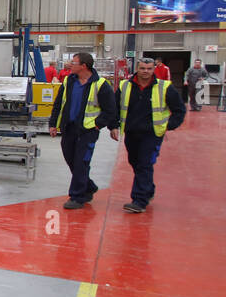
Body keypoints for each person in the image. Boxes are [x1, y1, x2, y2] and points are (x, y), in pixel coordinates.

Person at [48, 51, 119, 209]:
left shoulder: (101, 85)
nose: (70, 65)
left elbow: (110, 110)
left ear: (83, 66)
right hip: (69, 128)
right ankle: (89, 186)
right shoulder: (69, 81)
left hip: (87, 131)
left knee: (81, 162)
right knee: (71, 160)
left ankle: (77, 197)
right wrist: (53, 123)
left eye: (73, 63)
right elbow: (59, 103)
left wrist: (97, 125)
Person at [118, 57, 186, 213]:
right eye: (142, 68)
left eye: (149, 69)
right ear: (137, 68)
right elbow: (115, 106)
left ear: (154, 69)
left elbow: (179, 109)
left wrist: (169, 125)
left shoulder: (164, 87)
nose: (145, 72)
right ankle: (148, 189)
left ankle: (139, 200)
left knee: (144, 164)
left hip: (153, 134)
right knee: (135, 163)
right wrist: (113, 126)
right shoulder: (125, 86)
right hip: (131, 132)